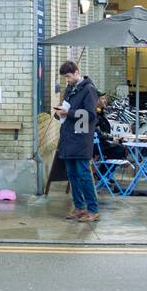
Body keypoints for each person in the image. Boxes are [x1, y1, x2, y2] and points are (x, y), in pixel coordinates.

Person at [54, 60, 100, 222]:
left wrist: (68, 113)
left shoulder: (88, 90)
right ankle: (79, 207)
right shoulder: (70, 89)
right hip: (68, 137)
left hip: (81, 138)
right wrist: (59, 112)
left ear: (76, 72)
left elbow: (91, 115)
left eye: (68, 76)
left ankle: (93, 209)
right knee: (72, 174)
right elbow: (67, 108)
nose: (67, 80)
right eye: (65, 77)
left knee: (84, 174)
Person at [95, 92, 127, 160]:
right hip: (97, 144)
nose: (105, 101)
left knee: (121, 147)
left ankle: (104, 169)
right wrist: (111, 138)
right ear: (96, 100)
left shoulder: (101, 112)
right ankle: (103, 170)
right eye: (102, 99)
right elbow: (98, 132)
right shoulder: (95, 114)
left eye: (105, 98)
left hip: (101, 142)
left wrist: (112, 138)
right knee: (120, 149)